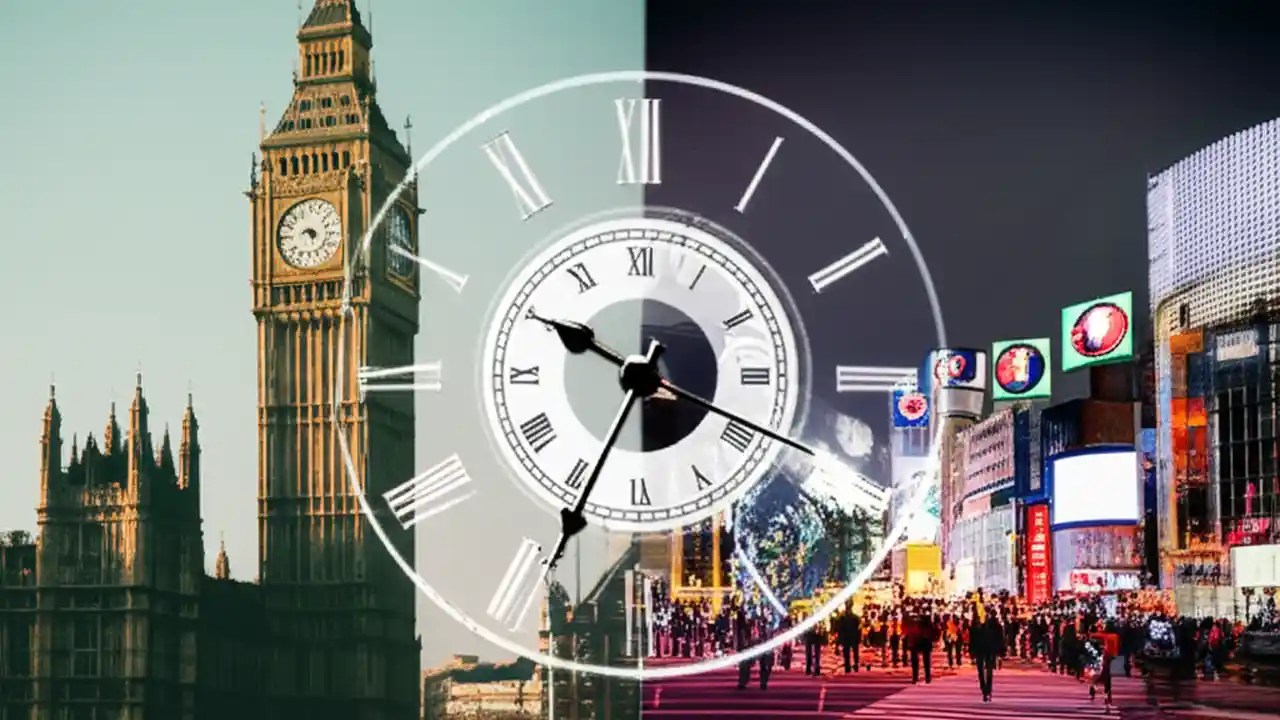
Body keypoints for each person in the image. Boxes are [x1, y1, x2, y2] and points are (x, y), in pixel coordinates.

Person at [970, 608, 1004, 702]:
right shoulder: (978, 625)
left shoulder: (994, 626)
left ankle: (986, 690)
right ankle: (986, 690)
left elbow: (1000, 639)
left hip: (984, 650)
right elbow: (972, 639)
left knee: (985, 671)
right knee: (986, 671)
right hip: (985, 650)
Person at [907, 610, 937, 684]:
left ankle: (915, 677)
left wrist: (910, 643)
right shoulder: (928, 623)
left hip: (916, 642)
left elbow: (911, 633)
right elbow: (933, 633)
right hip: (925, 642)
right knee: (926, 660)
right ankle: (927, 676)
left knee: (915, 661)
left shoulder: (914, 623)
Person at [835, 607, 862, 673]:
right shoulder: (856, 617)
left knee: (847, 653)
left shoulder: (842, 618)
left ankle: (847, 667)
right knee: (855, 652)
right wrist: (859, 638)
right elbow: (859, 629)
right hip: (854, 637)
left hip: (846, 638)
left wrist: (839, 639)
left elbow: (839, 628)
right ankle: (855, 665)